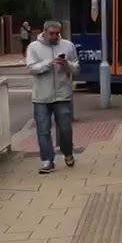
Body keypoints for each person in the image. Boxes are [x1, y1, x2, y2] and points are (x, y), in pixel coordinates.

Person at [26, 20, 79, 173]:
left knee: (65, 128)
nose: (54, 36)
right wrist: (49, 63)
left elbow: (76, 68)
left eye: (57, 34)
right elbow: (31, 68)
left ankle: (68, 152)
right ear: (44, 31)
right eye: (51, 33)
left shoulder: (68, 45)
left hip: (63, 94)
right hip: (41, 96)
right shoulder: (34, 47)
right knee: (43, 129)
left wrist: (67, 64)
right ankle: (47, 160)